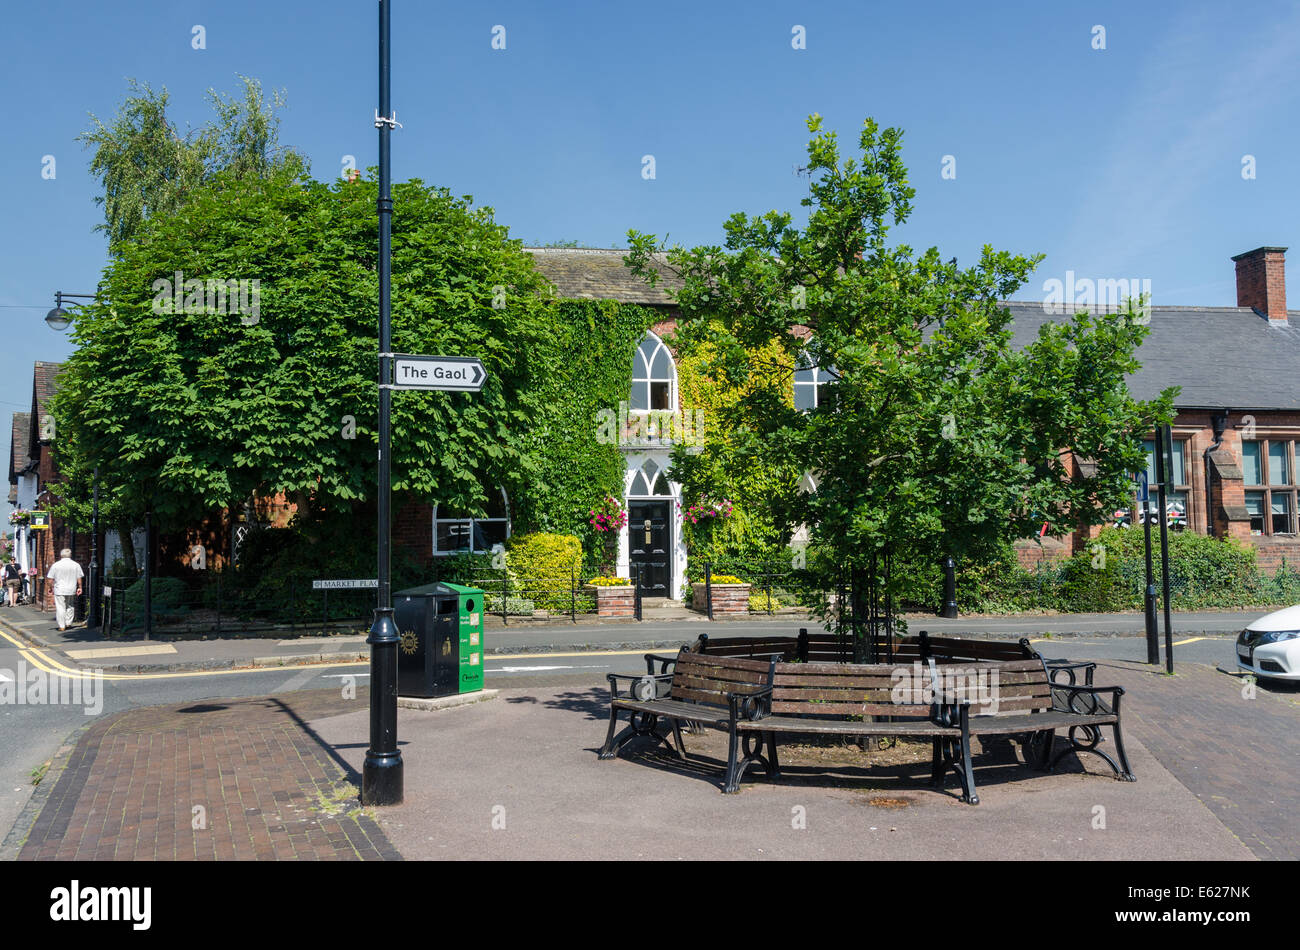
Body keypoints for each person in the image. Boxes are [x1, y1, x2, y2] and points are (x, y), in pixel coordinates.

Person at [46, 548, 84, 632]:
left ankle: (62, 626)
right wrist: (80, 587)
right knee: (70, 606)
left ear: (61, 555)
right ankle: (68, 623)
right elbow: (79, 577)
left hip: (59, 589)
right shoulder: (75, 565)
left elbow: (50, 578)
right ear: (70, 555)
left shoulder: (56, 565)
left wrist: (50, 588)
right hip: (71, 588)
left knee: (60, 608)